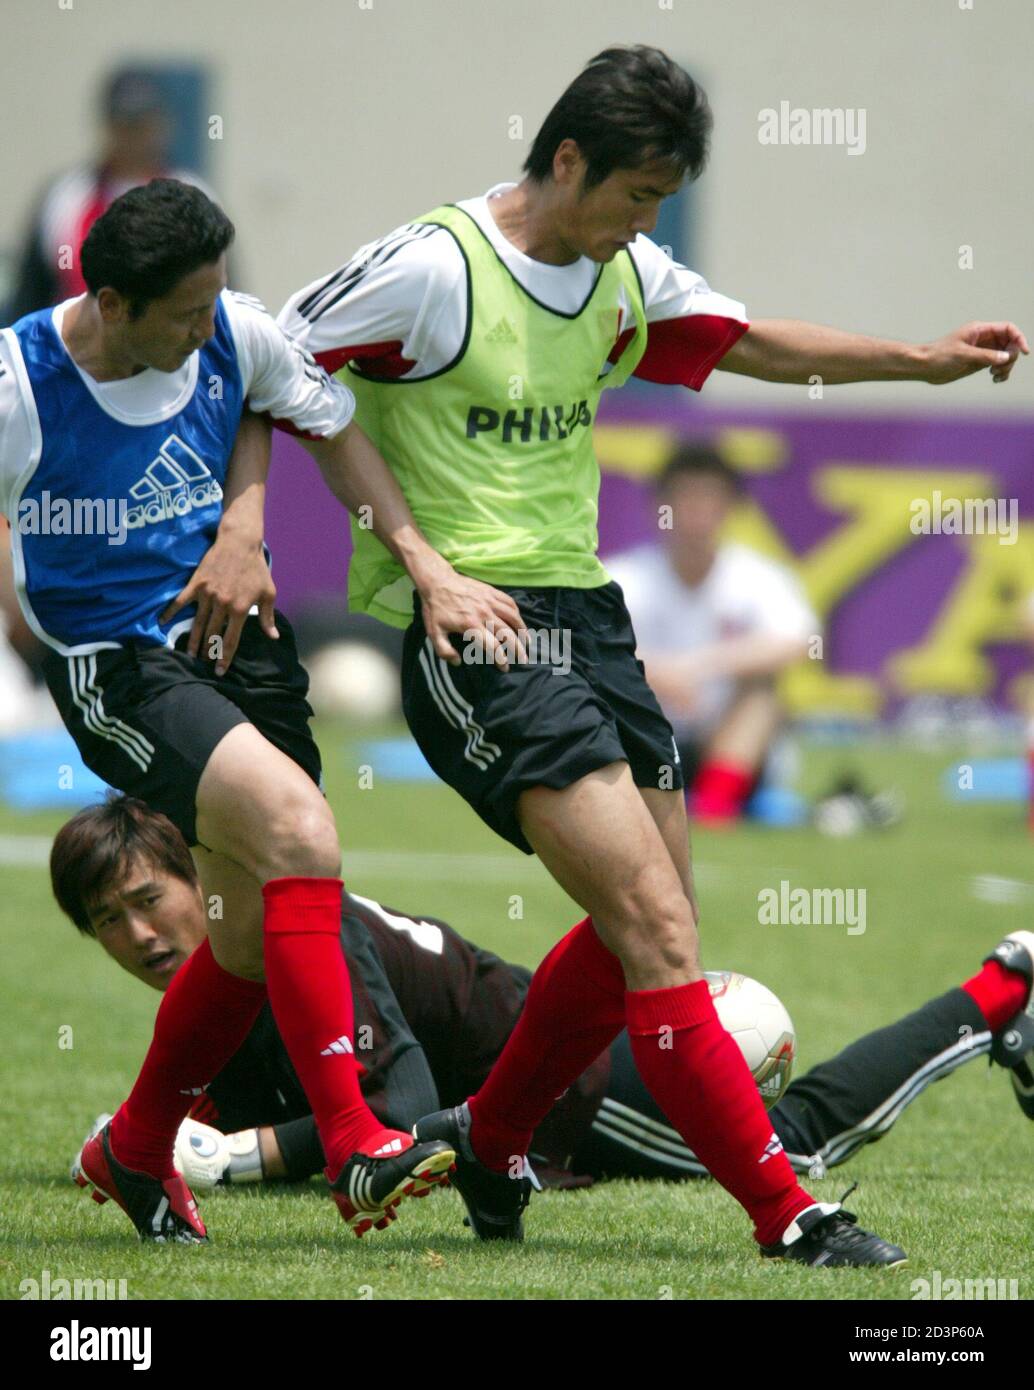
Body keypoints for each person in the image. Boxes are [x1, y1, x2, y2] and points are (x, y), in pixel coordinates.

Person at [276, 45, 1026, 1265]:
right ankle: (789, 1213)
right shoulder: (432, 267)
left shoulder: (621, 270)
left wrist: (921, 357)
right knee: (664, 938)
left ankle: (495, 1135)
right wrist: (417, 561)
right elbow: (278, 362)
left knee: (650, 918)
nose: (646, 223)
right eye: (636, 194)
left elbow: (753, 342)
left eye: (661, 200)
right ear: (565, 159)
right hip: (481, 633)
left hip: (588, 617)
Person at [0, 177, 526, 1242]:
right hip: (119, 668)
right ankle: (355, 1144)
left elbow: (326, 430)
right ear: (110, 302)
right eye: (186, 311)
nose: (211, 326)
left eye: (216, 301)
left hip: (248, 656)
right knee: (300, 833)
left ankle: (134, 1148)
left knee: (241, 943)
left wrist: (424, 567)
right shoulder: (20, 379)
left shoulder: (232, 333)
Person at [55, 795, 1034, 1197]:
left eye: (150, 899)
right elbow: (279, 1084)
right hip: (516, 1067)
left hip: (569, 1083)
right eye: (109, 919)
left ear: (201, 874)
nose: (139, 933)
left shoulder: (304, 940)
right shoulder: (232, 967)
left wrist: (239, 1154)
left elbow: (393, 1121)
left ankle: (1000, 994)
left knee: (802, 1139)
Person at [607, 442, 817, 824]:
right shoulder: (622, 576)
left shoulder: (759, 576)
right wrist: (655, 672)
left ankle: (715, 806)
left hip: (720, 737)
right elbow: (586, 647)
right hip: (645, 734)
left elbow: (797, 641)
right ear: (659, 506)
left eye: (709, 498)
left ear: (731, 506)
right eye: (684, 498)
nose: (697, 512)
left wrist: (696, 668)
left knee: (762, 692)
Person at [3, 68, 220, 323]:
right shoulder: (65, 197)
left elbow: (222, 293)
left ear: (163, 124)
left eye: (143, 123)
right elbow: (32, 292)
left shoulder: (194, 195)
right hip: (77, 352)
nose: (135, 135)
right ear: (107, 125)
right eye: (125, 124)